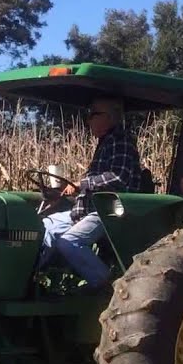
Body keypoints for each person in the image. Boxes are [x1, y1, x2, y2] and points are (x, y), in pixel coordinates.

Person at [39, 97, 142, 291]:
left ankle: (109, 286)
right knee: (45, 227)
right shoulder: (105, 143)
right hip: (88, 208)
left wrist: (80, 184)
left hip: (109, 209)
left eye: (93, 114)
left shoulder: (120, 142)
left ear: (110, 118)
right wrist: (63, 193)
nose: (88, 120)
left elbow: (118, 178)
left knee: (69, 242)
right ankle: (32, 282)